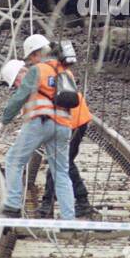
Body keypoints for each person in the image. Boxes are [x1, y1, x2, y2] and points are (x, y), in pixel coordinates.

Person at [0, 34, 76, 220]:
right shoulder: (66, 71)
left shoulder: (37, 70)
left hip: (40, 123)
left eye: (31, 57)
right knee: (61, 173)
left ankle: (12, 205)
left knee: (13, 160)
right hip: (64, 126)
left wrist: (4, 121)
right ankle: (69, 218)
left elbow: (19, 97)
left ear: (36, 53)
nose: (30, 61)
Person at [39, 40, 92, 220]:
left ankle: (50, 205)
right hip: (78, 119)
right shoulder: (62, 70)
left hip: (71, 122)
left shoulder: (45, 72)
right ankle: (76, 202)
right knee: (63, 162)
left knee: (61, 163)